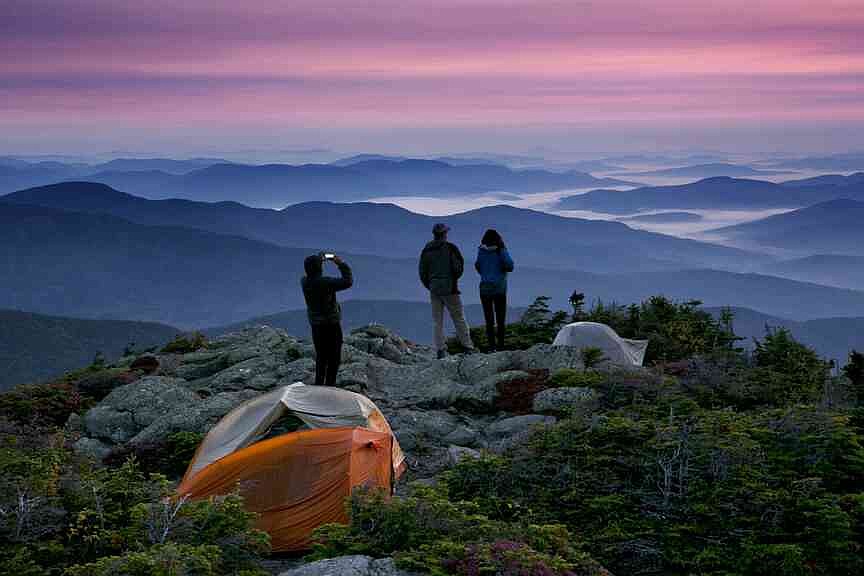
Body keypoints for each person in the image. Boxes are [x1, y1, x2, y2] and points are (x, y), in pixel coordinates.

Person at [419, 223, 476, 359]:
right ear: (445, 234)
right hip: (450, 289)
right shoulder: (451, 248)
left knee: (437, 321)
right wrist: (451, 279)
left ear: (434, 234)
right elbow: (458, 268)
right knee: (458, 318)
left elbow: (422, 272)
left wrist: (431, 284)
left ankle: (440, 350)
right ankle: (467, 346)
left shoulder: (427, 250)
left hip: (434, 289)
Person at [301, 253, 352, 386]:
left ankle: (318, 383)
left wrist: (320, 258)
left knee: (321, 356)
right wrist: (340, 264)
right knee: (334, 356)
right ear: (319, 268)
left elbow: (313, 270)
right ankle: (329, 385)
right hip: (331, 324)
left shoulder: (304, 281)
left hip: (316, 325)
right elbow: (348, 281)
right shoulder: (326, 283)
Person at [475, 229, 515, 351]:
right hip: (499, 288)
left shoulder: (481, 251)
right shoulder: (500, 250)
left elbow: (478, 265)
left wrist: (486, 274)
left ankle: (491, 346)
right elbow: (510, 265)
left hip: (485, 288)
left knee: (489, 318)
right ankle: (501, 345)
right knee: (500, 318)